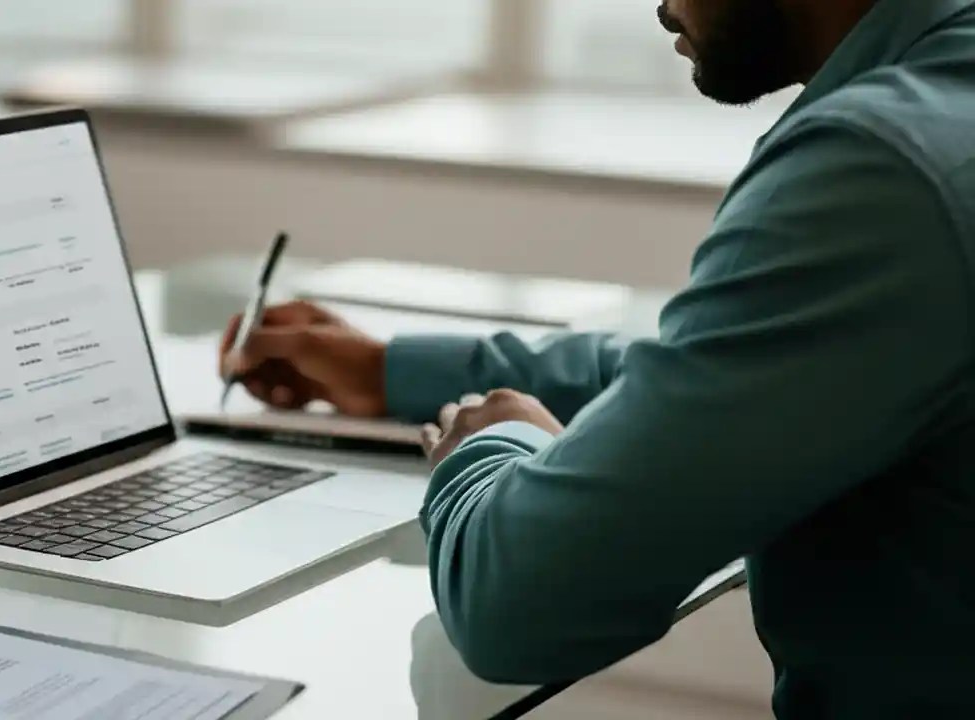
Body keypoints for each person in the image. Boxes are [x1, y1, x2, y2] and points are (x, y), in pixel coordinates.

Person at [220, 0, 975, 715]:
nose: (657, 6)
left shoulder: (878, 170)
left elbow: (515, 606)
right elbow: (715, 369)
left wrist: (487, 443)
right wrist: (392, 370)